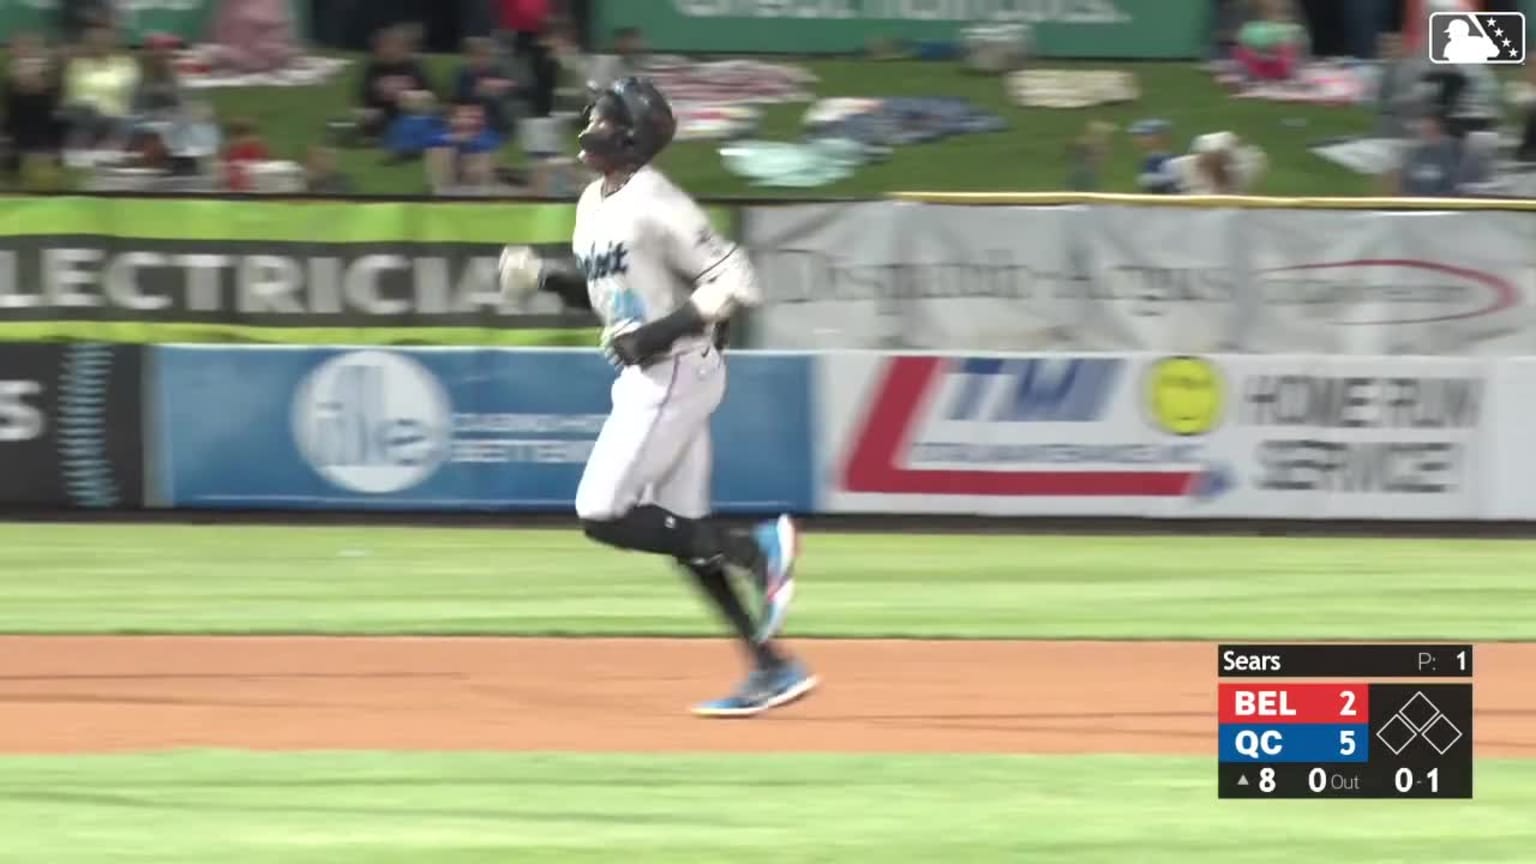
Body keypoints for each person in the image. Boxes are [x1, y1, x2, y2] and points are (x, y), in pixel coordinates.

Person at [495, 77, 813, 718]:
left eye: (603, 117)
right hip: (656, 372)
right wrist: (547, 278)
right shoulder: (593, 201)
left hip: (674, 370)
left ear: (632, 134)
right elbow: (611, 294)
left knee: (603, 511)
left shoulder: (658, 200)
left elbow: (737, 281)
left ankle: (756, 546)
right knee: (686, 540)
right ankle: (771, 668)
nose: (589, 123)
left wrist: (655, 336)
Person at [62, 24, 140, 150]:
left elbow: (128, 97)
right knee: (83, 118)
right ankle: (79, 157)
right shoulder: (77, 65)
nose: (99, 43)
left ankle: (108, 155)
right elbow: (73, 95)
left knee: (123, 121)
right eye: (94, 40)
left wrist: (104, 109)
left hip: (115, 117)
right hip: (83, 115)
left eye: (104, 39)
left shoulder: (126, 65)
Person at [3, 33, 64, 183]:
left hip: (43, 130)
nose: (27, 51)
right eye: (21, 47)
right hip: (14, 128)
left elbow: (50, 95)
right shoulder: (9, 76)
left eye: (32, 48)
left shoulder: (50, 77)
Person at [356, 25, 434, 141]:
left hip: (409, 112)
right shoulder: (373, 69)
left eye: (394, 46)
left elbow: (429, 94)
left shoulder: (414, 67)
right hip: (383, 114)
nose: (389, 50)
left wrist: (411, 98)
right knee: (369, 117)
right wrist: (369, 111)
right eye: (385, 46)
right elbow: (366, 96)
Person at [454, 36, 517, 136]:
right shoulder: (465, 73)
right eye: (478, 56)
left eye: (486, 56)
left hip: (494, 112)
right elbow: (462, 96)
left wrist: (502, 88)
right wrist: (482, 89)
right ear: (469, 57)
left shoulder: (495, 71)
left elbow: (508, 89)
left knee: (504, 111)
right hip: (471, 113)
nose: (482, 59)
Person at [1129, 119, 1179, 194]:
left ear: (1162, 137)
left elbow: (1176, 180)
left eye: (1145, 135)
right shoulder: (1150, 158)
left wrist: (1148, 179)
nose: (1138, 139)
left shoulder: (1166, 159)